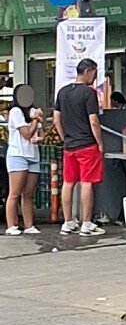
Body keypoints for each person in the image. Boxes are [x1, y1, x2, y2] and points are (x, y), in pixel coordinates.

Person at [53, 58, 105, 237]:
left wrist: (64, 137)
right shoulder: (89, 93)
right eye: (95, 73)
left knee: (68, 183)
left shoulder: (63, 92)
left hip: (69, 146)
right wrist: (99, 143)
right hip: (87, 145)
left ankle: (67, 222)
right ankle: (87, 223)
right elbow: (94, 121)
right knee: (87, 183)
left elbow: (56, 119)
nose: (95, 77)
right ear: (88, 71)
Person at [5, 84, 44, 236]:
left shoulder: (34, 111)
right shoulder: (15, 112)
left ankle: (29, 225)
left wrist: (39, 137)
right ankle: (11, 225)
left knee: (28, 194)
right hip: (18, 155)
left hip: (33, 155)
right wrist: (35, 119)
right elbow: (27, 133)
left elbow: (40, 133)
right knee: (14, 192)